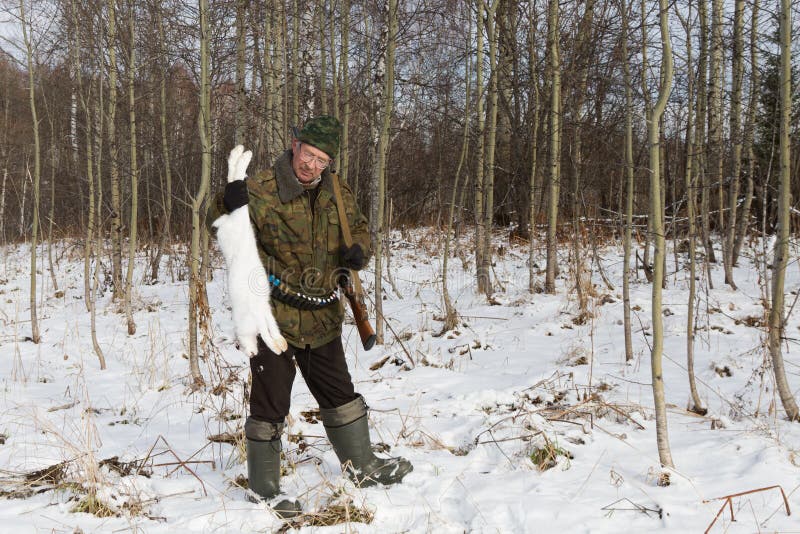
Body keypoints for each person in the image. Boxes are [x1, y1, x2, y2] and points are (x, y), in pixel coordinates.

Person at [207, 116, 412, 515]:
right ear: (294, 144)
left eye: (322, 160)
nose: (312, 166)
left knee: (339, 392)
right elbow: (218, 221)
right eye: (308, 155)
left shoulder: (337, 190)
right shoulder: (261, 188)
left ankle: (363, 466)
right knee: (270, 402)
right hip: (272, 316)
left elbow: (360, 231)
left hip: (321, 315)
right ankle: (264, 487)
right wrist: (227, 202)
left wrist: (359, 253)